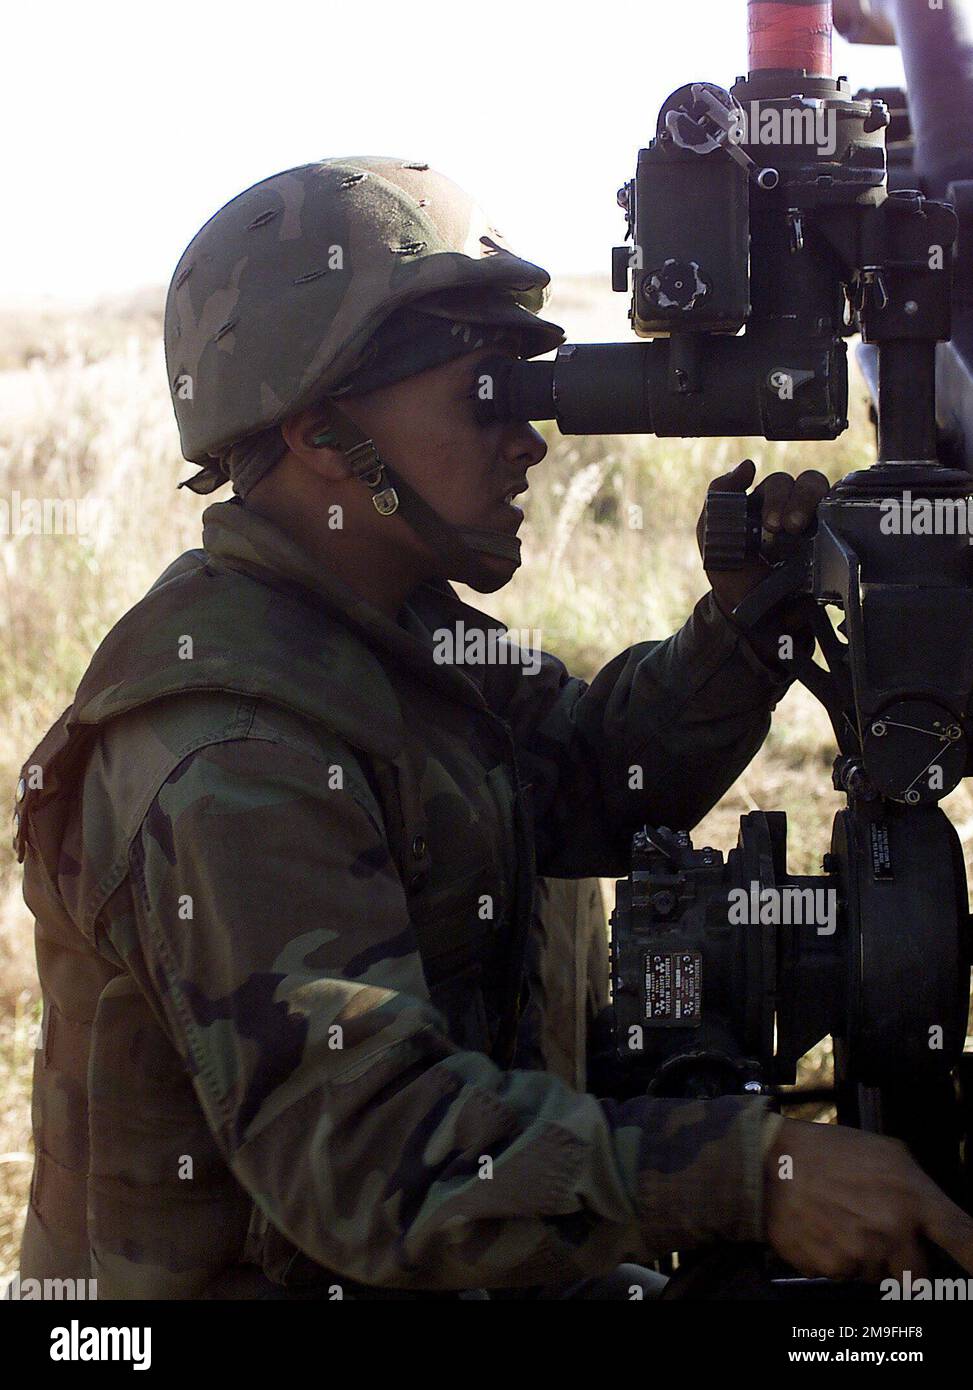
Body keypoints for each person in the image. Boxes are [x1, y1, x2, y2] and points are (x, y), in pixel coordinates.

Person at [13, 157, 973, 1299]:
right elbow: (374, 1157)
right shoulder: (230, 745)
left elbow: (592, 776)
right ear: (324, 434)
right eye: (487, 395)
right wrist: (749, 1176)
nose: (530, 439)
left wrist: (743, 623)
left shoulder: (386, 633)